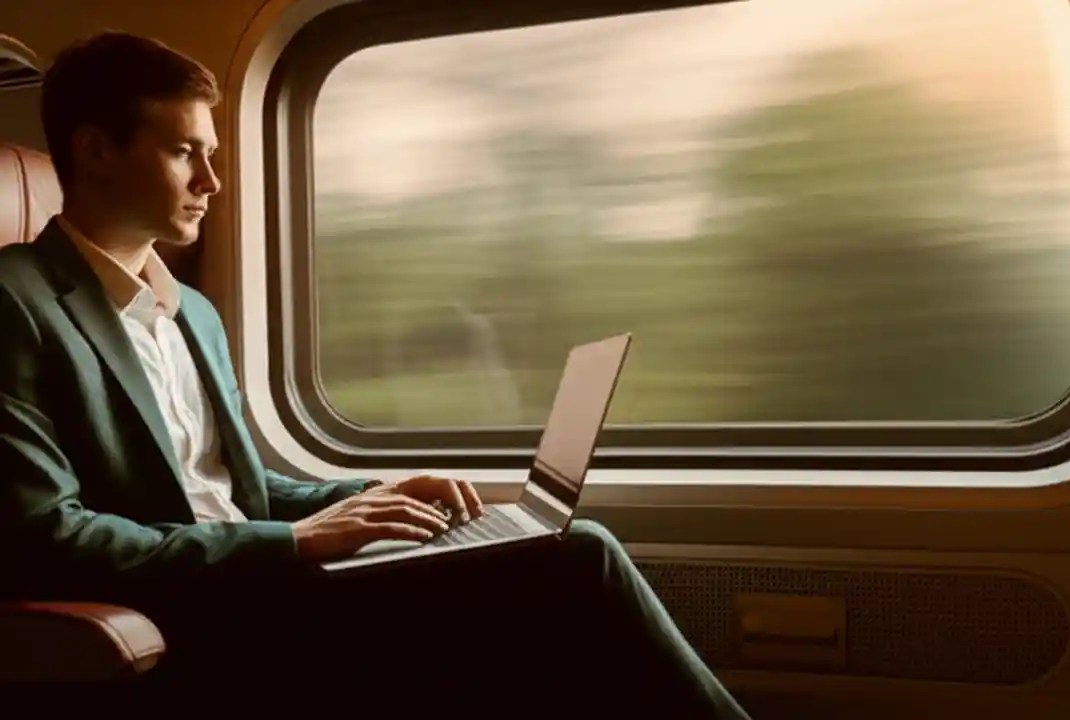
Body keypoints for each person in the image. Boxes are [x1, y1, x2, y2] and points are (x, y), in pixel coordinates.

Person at [0, 31, 752, 718]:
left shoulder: (190, 311)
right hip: (200, 617)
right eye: (184, 153)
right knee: (578, 559)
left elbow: (232, 486)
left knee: (546, 567)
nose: (213, 182)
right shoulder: (19, 301)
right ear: (96, 150)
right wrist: (293, 544)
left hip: (266, 581)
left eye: (212, 155)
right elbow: (48, 537)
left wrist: (371, 495)